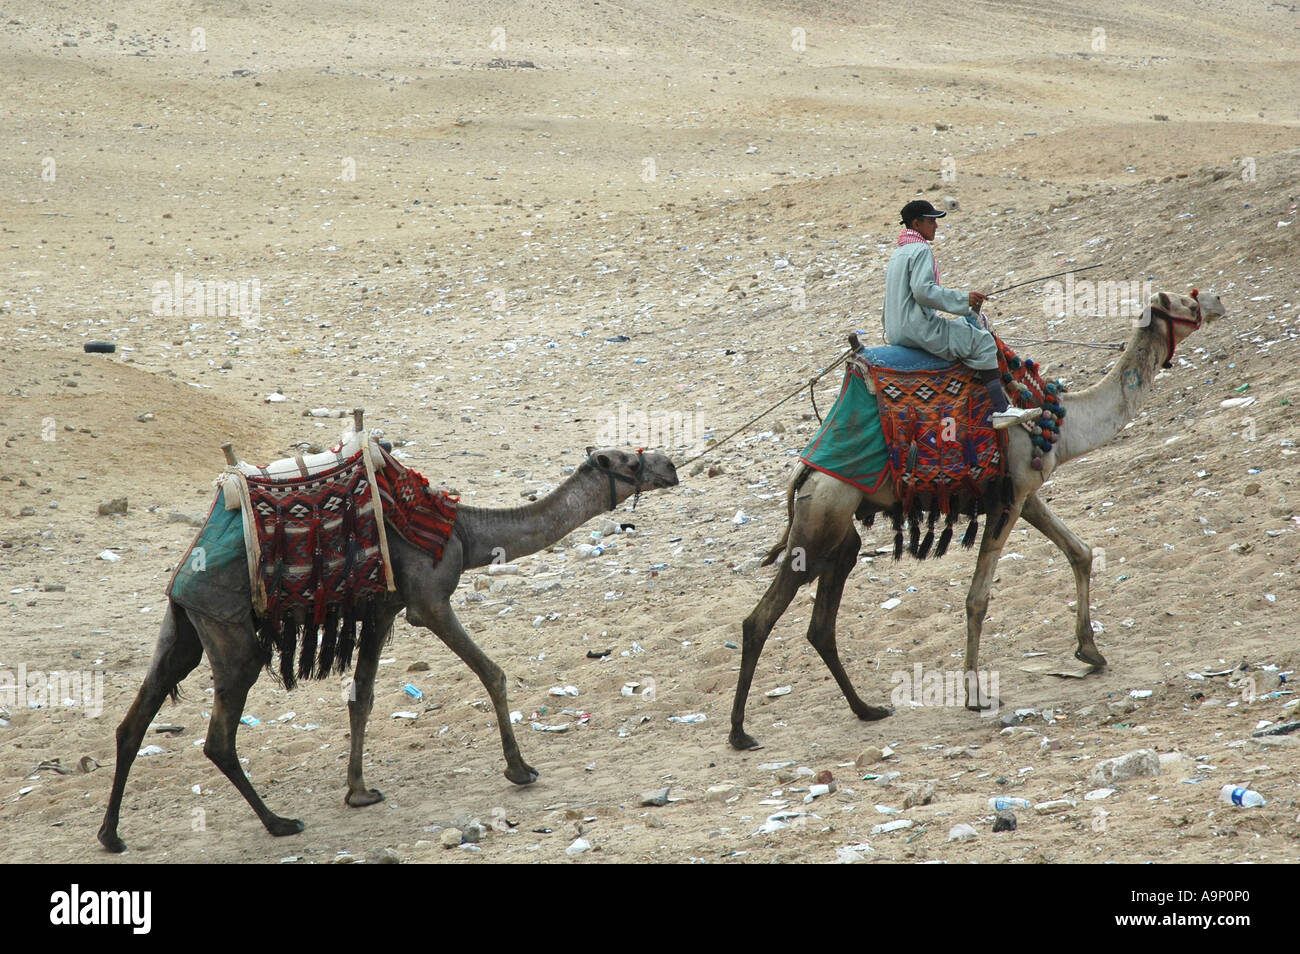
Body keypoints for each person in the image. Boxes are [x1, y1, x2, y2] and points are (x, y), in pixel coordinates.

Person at [883, 200, 1039, 429]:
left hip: (896, 330)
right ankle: (1001, 410)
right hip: (917, 329)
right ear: (916, 224)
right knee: (983, 341)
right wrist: (964, 300)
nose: (936, 226)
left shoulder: (898, 254)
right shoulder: (921, 250)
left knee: (963, 328)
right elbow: (923, 291)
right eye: (931, 220)